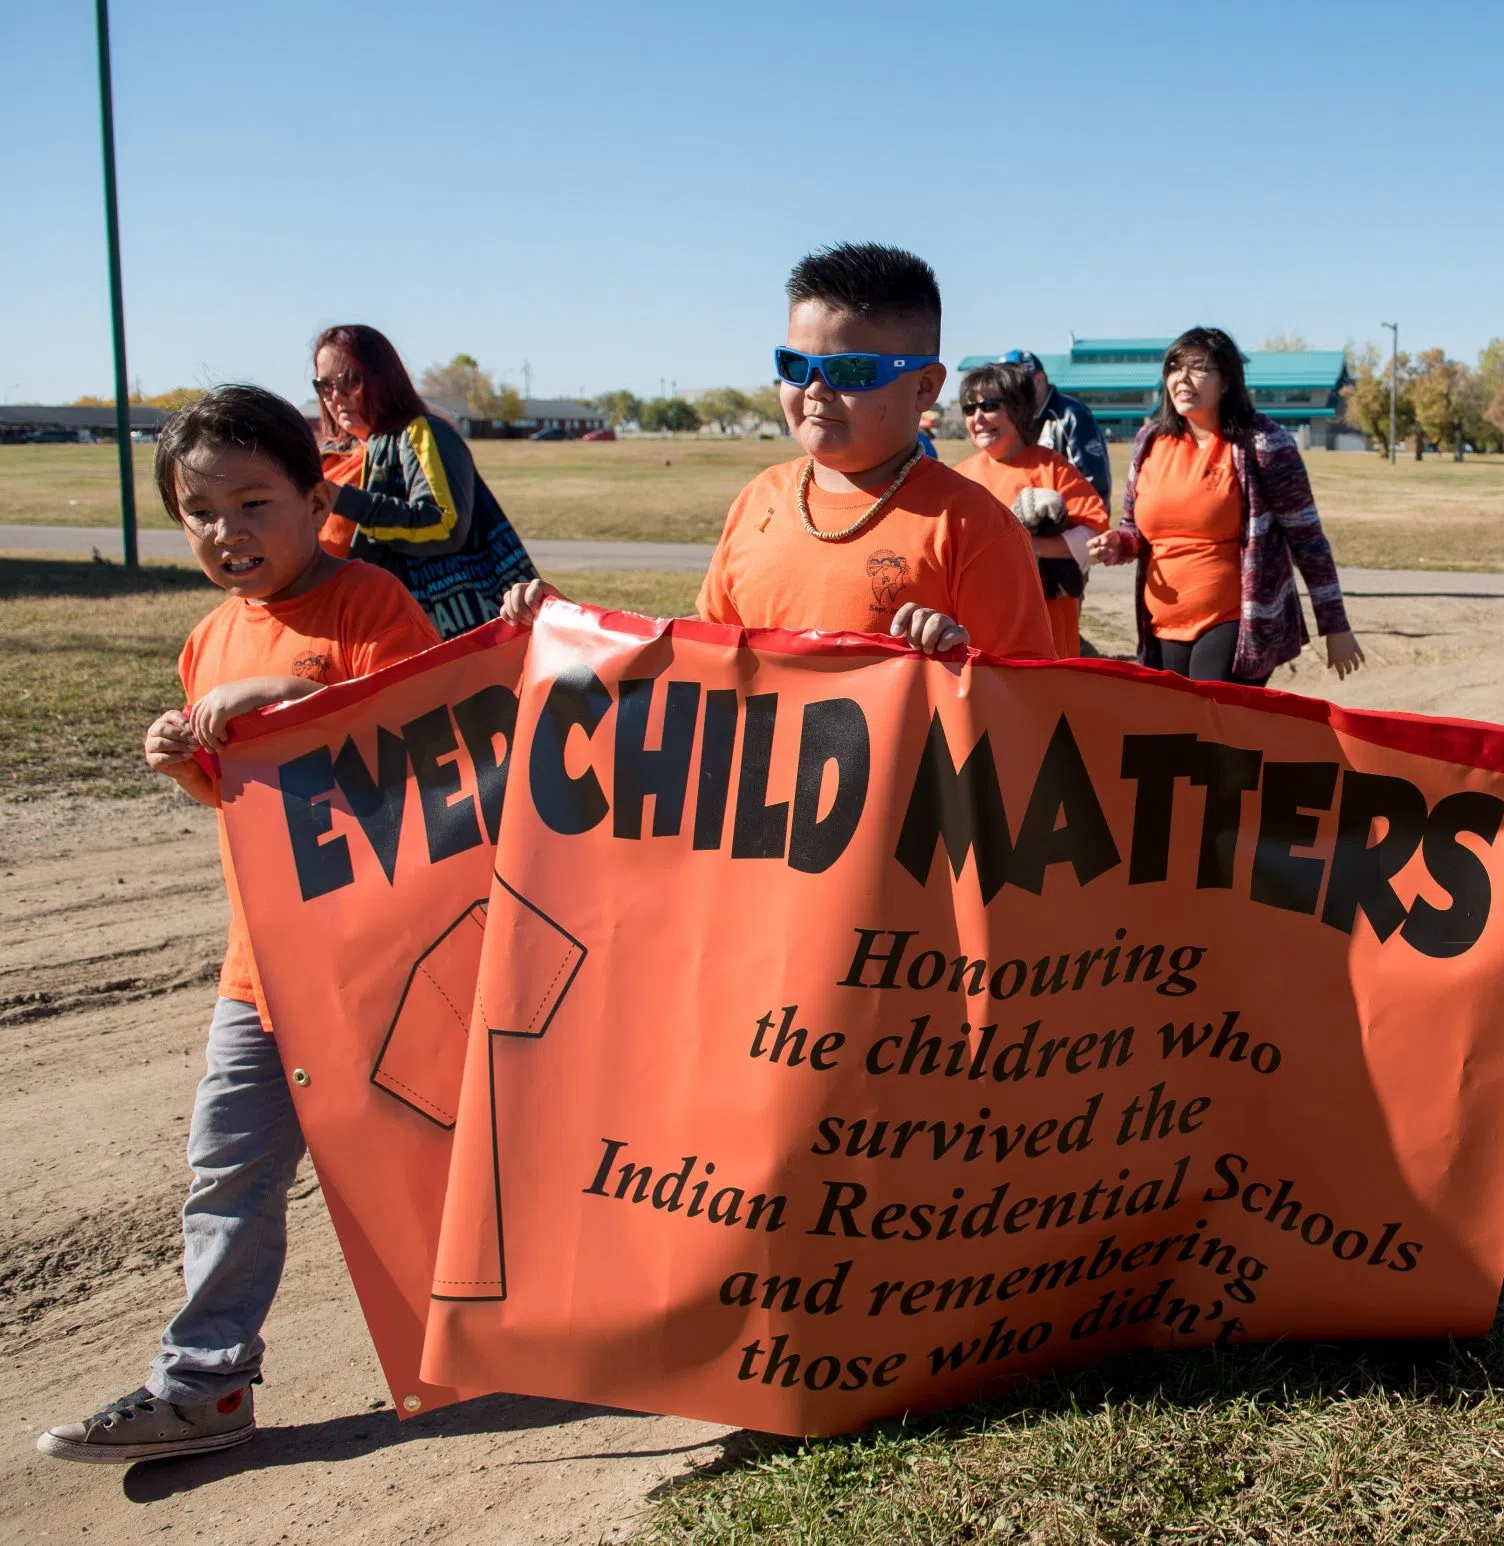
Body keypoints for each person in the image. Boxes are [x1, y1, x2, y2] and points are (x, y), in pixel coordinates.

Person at [38, 387, 442, 1466]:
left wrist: (286, 694)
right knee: (227, 1167)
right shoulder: (206, 637)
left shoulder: (369, 606)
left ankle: (548, 1331)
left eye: (255, 501)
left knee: (441, 1160)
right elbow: (247, 804)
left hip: (390, 967)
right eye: (200, 511)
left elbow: (420, 751)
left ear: (319, 499)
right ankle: (206, 1380)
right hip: (262, 971)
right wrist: (193, 771)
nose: (229, 531)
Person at [503, 243, 1053, 659]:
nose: (815, 390)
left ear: (925, 387)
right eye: (796, 366)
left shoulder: (974, 529)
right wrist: (573, 629)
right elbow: (705, 654)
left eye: (850, 371)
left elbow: (1027, 714)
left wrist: (962, 664)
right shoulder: (759, 499)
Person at [1094, 327, 1362, 685]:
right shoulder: (1148, 442)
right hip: (1162, 622)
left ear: (1226, 382)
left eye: (1199, 368)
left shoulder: (1263, 444)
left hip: (1236, 619)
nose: (1183, 379)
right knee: (1173, 731)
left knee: (1214, 722)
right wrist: (1120, 543)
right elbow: (1135, 529)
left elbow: (1308, 539)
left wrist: (1335, 625)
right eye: (1175, 367)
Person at [309, 324, 539, 637]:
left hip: (415, 629)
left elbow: (443, 523)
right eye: (323, 386)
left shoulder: (421, 433)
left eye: (349, 380)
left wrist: (343, 499)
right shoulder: (332, 454)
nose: (335, 396)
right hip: (340, 625)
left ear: (381, 378)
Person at [952, 361, 1109, 657]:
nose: (978, 418)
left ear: (1019, 409)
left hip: (1046, 628)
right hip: (978, 628)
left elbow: (1094, 535)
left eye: (989, 405)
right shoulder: (958, 477)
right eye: (969, 409)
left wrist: (1032, 546)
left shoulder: (1052, 468)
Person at [1006, 349, 1113, 505]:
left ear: (1039, 380)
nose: (1009, 393)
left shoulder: (1073, 415)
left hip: (1066, 523)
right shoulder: (1012, 417)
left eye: (1015, 385)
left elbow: (1094, 486)